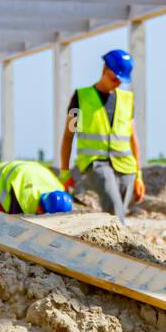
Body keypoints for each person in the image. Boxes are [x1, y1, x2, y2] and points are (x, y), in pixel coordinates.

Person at [59, 49, 145, 222]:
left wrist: (139, 175)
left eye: (121, 81)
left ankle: (116, 243)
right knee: (114, 209)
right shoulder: (80, 98)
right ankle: (121, 247)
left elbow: (133, 138)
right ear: (105, 70)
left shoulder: (127, 100)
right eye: (114, 79)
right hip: (95, 163)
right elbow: (68, 137)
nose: (117, 84)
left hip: (126, 166)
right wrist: (64, 172)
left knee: (119, 211)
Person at [0, 159, 73, 215]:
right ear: (40, 210)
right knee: (1, 222)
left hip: (30, 169)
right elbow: (14, 220)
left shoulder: (59, 188)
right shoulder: (23, 199)